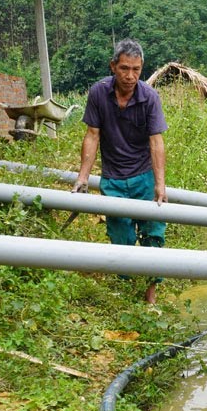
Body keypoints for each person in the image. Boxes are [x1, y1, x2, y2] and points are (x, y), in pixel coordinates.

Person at [72, 39, 168, 304]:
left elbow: (156, 141)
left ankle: (150, 296)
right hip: (113, 179)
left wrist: (160, 185)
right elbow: (92, 135)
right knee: (121, 238)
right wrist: (82, 178)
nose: (130, 76)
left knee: (153, 235)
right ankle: (128, 293)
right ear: (113, 66)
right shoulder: (99, 93)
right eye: (124, 68)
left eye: (136, 69)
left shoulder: (149, 97)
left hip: (143, 177)